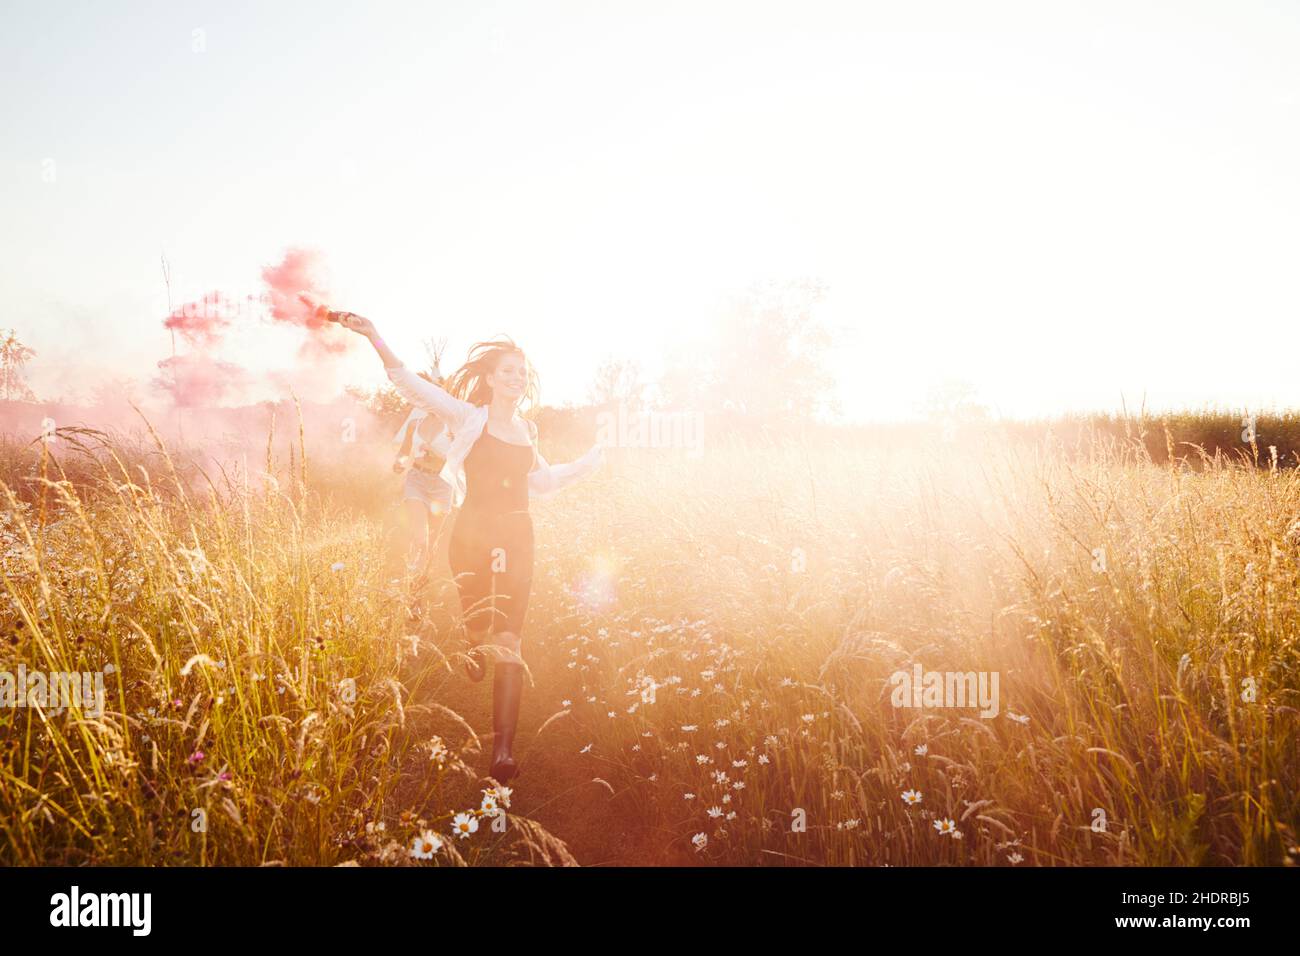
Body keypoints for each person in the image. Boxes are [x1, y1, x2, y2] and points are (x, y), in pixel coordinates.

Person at [335, 310, 603, 783]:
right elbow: (412, 385)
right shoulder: (467, 418)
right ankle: (472, 644)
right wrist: (375, 335)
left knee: (510, 641)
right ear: (489, 378)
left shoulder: (528, 430)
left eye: (522, 372)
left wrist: (591, 461)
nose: (516, 378)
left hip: (518, 537)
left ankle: (502, 751)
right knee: (482, 633)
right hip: (473, 534)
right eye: (507, 371)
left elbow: (541, 482)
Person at [392, 371, 454, 577]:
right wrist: (399, 463)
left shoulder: (453, 427)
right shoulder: (414, 425)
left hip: (442, 484)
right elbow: (404, 451)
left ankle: (423, 582)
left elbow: (458, 459)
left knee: (432, 541)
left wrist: (437, 455)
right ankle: (413, 588)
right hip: (416, 479)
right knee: (420, 538)